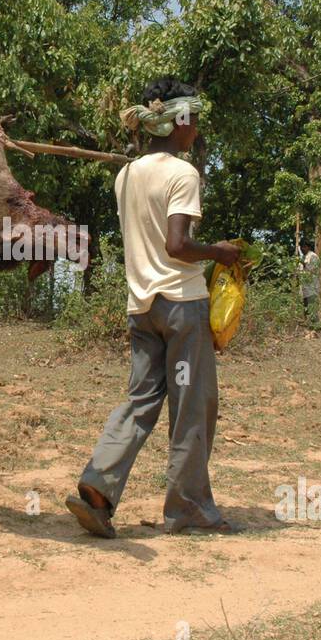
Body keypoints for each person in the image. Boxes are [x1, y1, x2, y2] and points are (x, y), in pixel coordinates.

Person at [65, 77, 242, 538]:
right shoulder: (183, 174)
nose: (198, 129)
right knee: (193, 406)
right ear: (180, 121)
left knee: (141, 400)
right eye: (195, 120)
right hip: (182, 306)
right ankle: (189, 510)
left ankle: (97, 490)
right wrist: (220, 252)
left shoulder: (127, 174)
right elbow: (178, 245)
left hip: (141, 307)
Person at [297, 240, 320, 321]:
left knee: (312, 309)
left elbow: (312, 269)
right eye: (301, 247)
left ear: (308, 247)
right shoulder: (303, 257)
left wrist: (303, 263)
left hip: (312, 288)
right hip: (304, 288)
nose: (303, 249)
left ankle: (316, 327)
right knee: (306, 310)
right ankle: (308, 328)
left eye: (304, 247)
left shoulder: (313, 256)